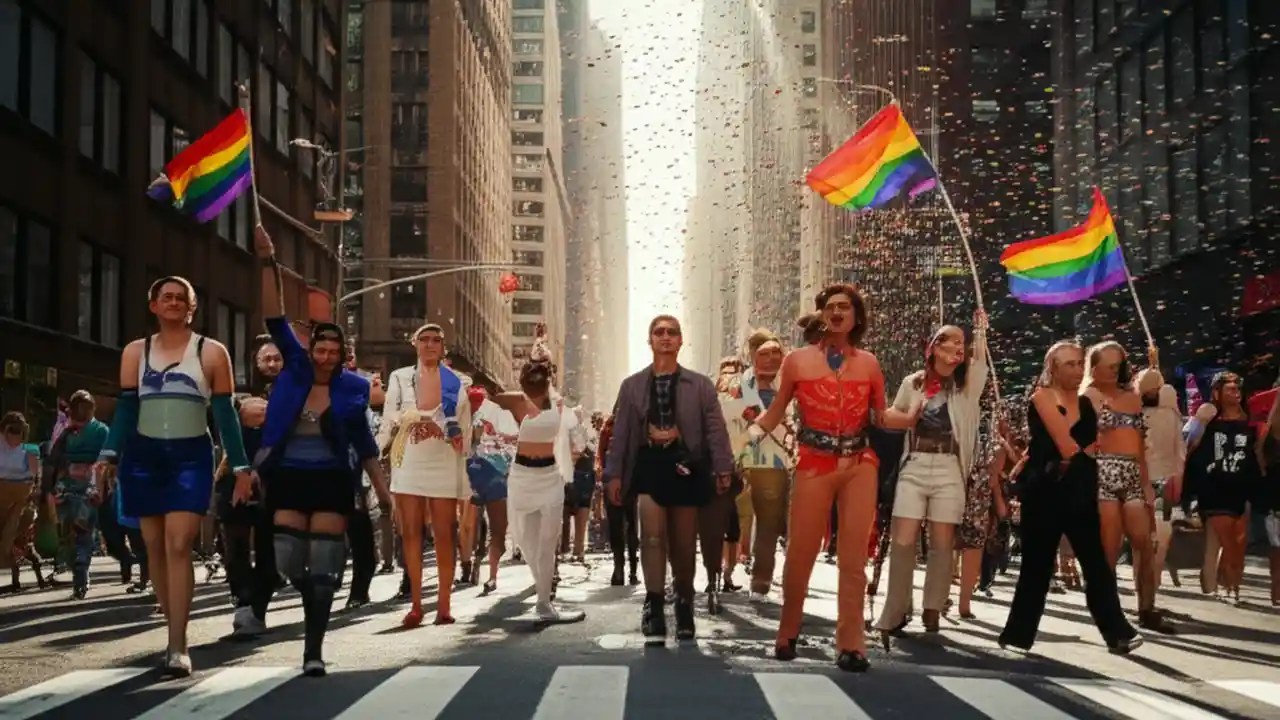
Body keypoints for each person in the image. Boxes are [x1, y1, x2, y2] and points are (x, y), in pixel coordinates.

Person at [749, 284, 916, 672]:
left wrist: (910, 417)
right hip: (813, 462)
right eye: (831, 307)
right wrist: (741, 445)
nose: (837, 312)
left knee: (853, 558)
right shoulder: (797, 361)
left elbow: (879, 416)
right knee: (801, 552)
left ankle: (852, 643)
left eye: (845, 307)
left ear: (856, 317)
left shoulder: (869, 364)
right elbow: (774, 412)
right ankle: (787, 632)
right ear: (822, 315)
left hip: (860, 463)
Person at [250, 226, 392, 676]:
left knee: (327, 566)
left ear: (343, 353)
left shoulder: (354, 388)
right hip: (287, 475)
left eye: (334, 350)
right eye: (321, 348)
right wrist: (267, 260)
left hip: (332, 479)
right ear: (310, 349)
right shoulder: (293, 369)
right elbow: (275, 317)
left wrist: (383, 492)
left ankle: (313, 650)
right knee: (289, 557)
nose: (326, 355)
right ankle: (305, 591)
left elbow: (366, 445)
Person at [95, 275, 251, 677]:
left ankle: (177, 644)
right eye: (167, 297)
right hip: (143, 457)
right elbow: (127, 409)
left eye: (182, 298)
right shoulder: (135, 351)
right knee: (154, 545)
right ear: (154, 306)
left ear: (191, 307)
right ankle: (171, 622)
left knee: (179, 543)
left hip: (191, 456)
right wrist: (109, 453)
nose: (174, 302)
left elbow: (225, 414)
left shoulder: (212, 352)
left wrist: (240, 466)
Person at [998, 341, 1141, 653]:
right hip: (1045, 492)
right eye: (1070, 365)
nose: (1078, 370)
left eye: (1080, 363)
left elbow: (1093, 448)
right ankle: (1017, 636)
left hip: (1079, 491)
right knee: (1036, 567)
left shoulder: (1087, 405)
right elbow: (1069, 446)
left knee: (1097, 565)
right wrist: (1092, 449)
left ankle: (1118, 633)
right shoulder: (1041, 398)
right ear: (1054, 368)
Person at [875, 314, 988, 644]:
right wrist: (908, 416)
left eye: (960, 342)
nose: (956, 346)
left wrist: (979, 331)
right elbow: (893, 415)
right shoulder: (914, 382)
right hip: (915, 463)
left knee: (941, 543)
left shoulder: (966, 385)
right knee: (903, 539)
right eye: (948, 340)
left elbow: (980, 363)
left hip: (950, 466)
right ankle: (895, 610)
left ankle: (933, 607)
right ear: (933, 347)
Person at [379, 324, 473, 627]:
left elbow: (465, 428)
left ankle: (443, 605)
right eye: (424, 339)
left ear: (443, 346)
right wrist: (405, 425)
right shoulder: (399, 377)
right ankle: (416, 604)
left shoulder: (457, 382)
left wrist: (441, 428)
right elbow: (389, 418)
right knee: (410, 533)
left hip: (443, 460)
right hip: (409, 460)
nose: (430, 345)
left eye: (436, 340)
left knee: (445, 532)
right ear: (414, 343)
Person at [492, 338, 587, 624]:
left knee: (547, 543)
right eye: (528, 379)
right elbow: (483, 404)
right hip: (521, 477)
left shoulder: (560, 406)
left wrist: (568, 452)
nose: (534, 383)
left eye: (540, 378)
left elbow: (578, 443)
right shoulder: (512, 402)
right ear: (521, 382)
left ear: (548, 382)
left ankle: (544, 603)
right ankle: (543, 593)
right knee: (525, 541)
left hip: (550, 478)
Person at [219, 336, 282, 637]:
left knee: (273, 550)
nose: (271, 364)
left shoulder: (294, 395)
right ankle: (243, 605)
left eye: (277, 359)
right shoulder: (234, 395)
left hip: (278, 480)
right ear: (255, 362)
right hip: (235, 479)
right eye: (265, 359)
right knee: (236, 546)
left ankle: (258, 607)